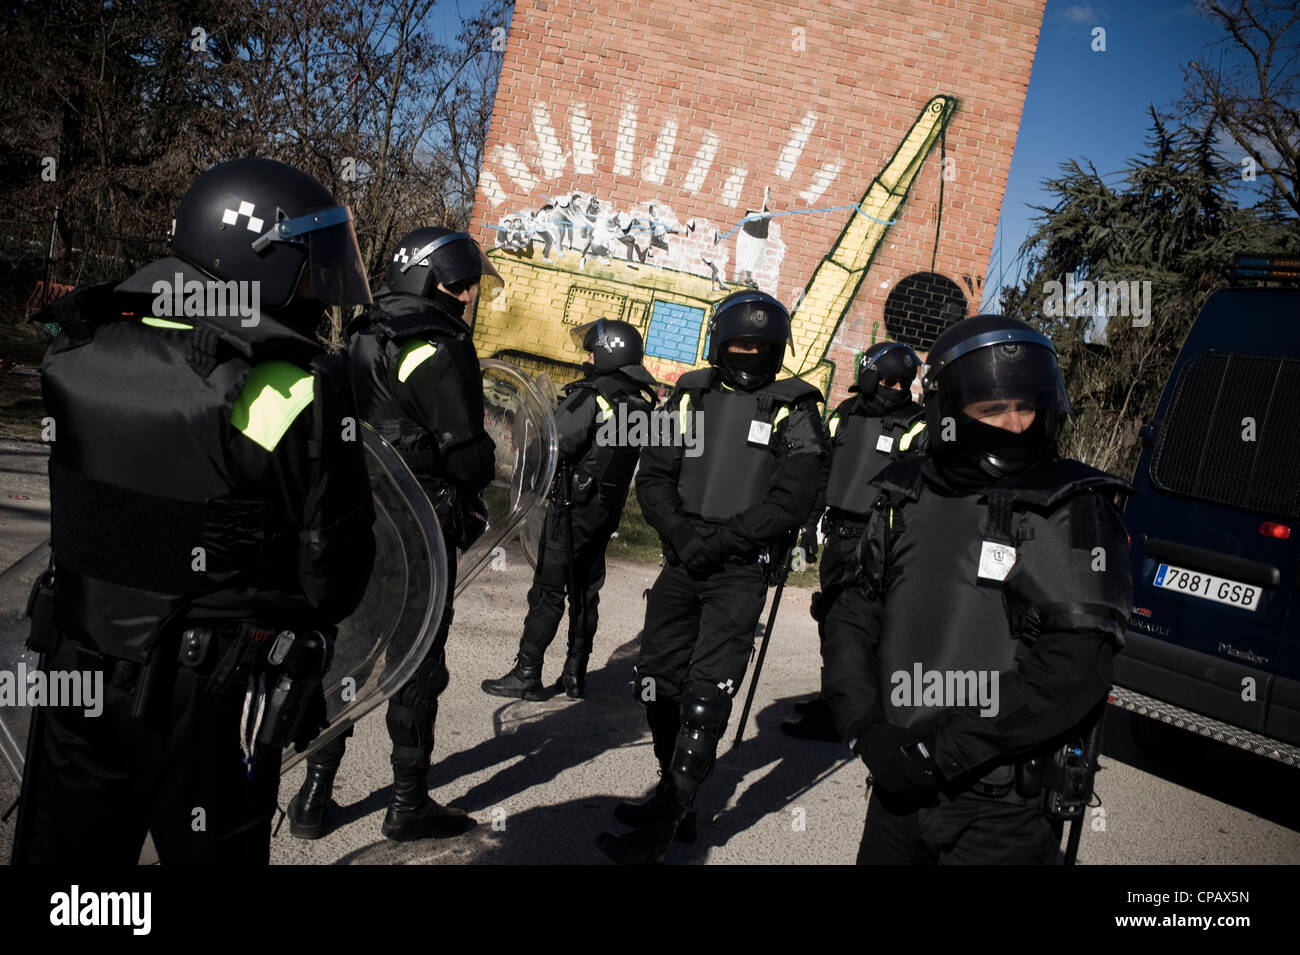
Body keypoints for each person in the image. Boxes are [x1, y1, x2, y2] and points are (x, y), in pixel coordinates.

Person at [14, 157, 376, 864]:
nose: (320, 288)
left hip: (76, 661)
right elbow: (334, 576)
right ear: (257, 254)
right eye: (309, 266)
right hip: (213, 692)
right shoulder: (294, 384)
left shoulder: (80, 343)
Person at [822, 314, 1133, 864]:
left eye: (1025, 406)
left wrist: (942, 750)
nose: (1014, 425)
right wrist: (863, 726)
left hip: (1000, 809)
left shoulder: (1071, 507)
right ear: (947, 412)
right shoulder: (902, 494)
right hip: (897, 785)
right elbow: (853, 614)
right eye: (991, 408)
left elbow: (1075, 669)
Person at [597, 290, 828, 865]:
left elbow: (792, 496)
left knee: (705, 694)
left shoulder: (793, 407)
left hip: (738, 567)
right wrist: (679, 535)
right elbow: (655, 474)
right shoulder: (690, 397)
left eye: (761, 345)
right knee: (655, 681)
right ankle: (678, 798)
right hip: (683, 556)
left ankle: (663, 825)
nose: (749, 352)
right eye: (740, 342)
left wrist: (724, 541)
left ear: (777, 350)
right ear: (720, 343)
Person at [287, 227, 500, 842]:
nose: (466, 296)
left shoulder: (362, 330)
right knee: (416, 660)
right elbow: (465, 457)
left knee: (348, 647)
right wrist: (484, 465)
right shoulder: (440, 344)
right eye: (458, 284)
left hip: (356, 511)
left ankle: (312, 794)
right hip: (420, 523)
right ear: (430, 282)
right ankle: (407, 803)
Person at [482, 318, 658, 701]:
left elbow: (553, 441)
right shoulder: (640, 402)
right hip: (604, 511)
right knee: (585, 592)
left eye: (595, 350)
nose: (589, 357)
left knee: (548, 591)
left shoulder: (594, 395)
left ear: (612, 353)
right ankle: (575, 673)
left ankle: (527, 672)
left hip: (570, 507)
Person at [783, 341, 926, 742]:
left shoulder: (917, 424)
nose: (896, 389)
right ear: (868, 376)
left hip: (878, 541)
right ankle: (834, 697)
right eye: (888, 380)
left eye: (903, 383)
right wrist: (808, 525)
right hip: (839, 533)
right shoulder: (843, 416)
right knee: (829, 617)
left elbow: (918, 494)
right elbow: (822, 473)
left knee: (857, 627)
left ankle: (846, 713)